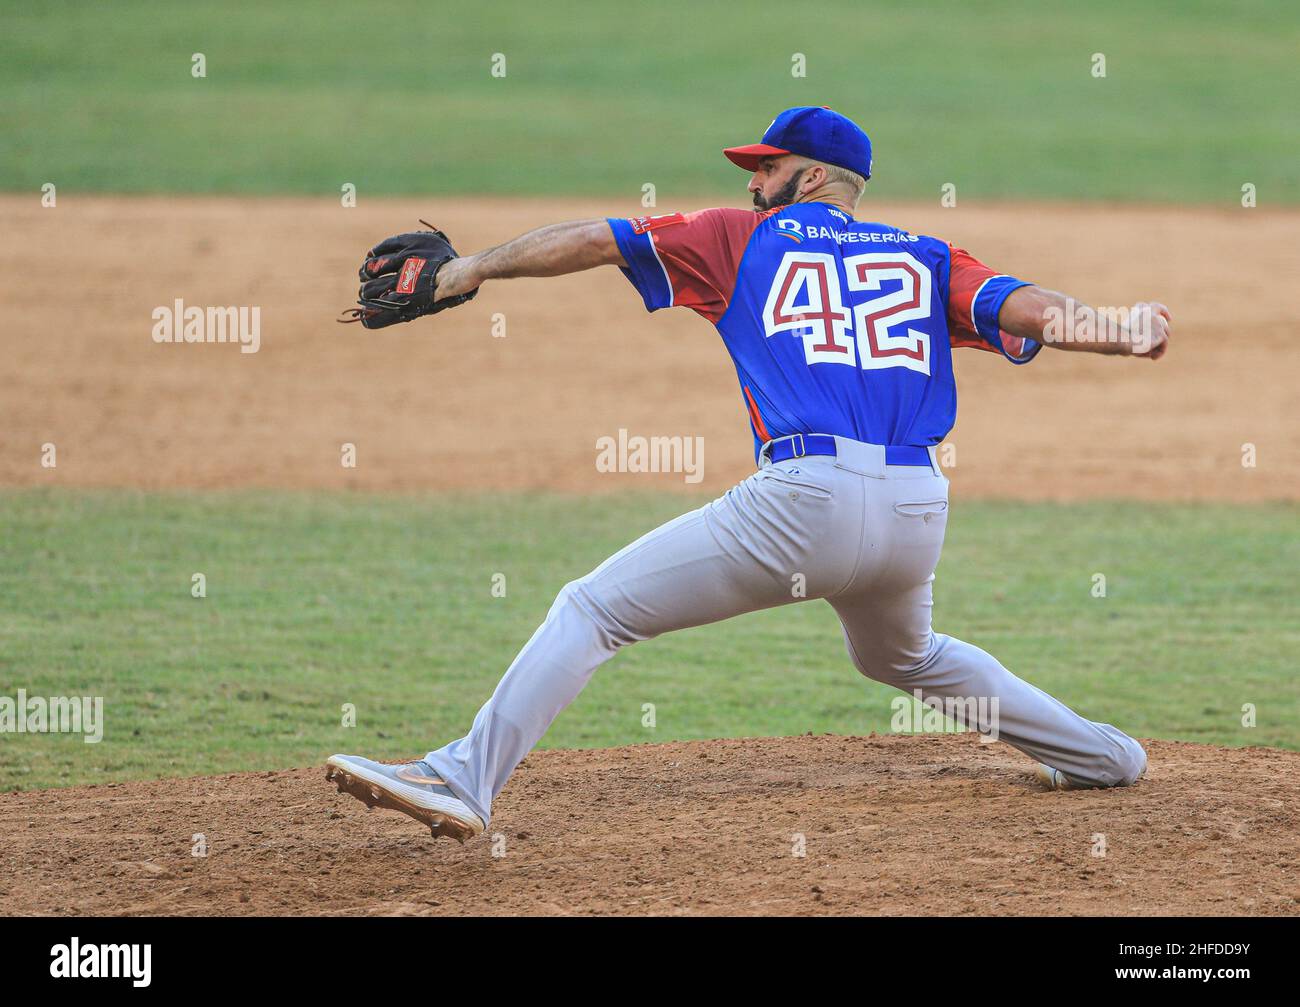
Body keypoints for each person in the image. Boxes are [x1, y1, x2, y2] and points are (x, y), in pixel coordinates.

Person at [327, 106, 1167, 842]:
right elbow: (1033, 313)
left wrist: (468, 268)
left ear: (810, 174)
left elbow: (597, 238)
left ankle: (461, 779)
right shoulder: (928, 256)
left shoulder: (738, 234)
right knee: (903, 658)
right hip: (916, 510)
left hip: (803, 502)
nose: (755, 181)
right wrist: (1120, 328)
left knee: (592, 607)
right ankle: (1105, 756)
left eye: (765, 166)